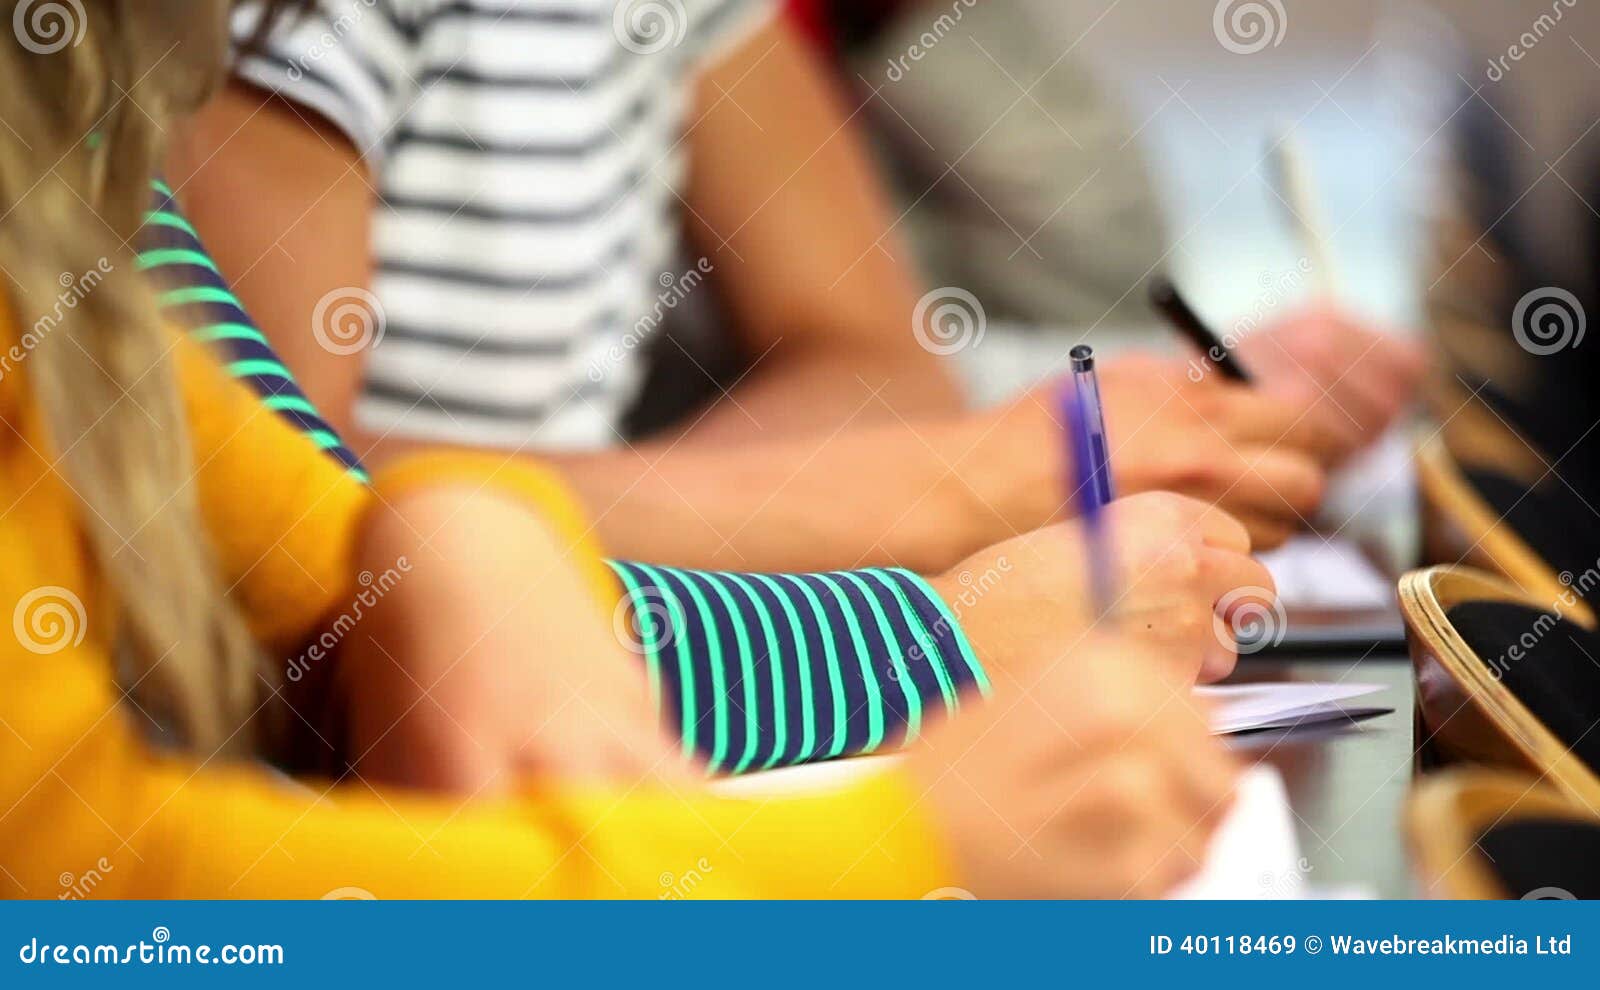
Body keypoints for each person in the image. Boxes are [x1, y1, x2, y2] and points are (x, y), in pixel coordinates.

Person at [0, 0, 1246, 899]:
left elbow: (302, 535)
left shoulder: (58, 175)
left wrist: (467, 526)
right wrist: (904, 809)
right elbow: (78, 873)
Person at [171, 0, 1422, 568]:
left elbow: (873, 358)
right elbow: (265, 512)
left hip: (575, 663)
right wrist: (962, 488)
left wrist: (912, 492)